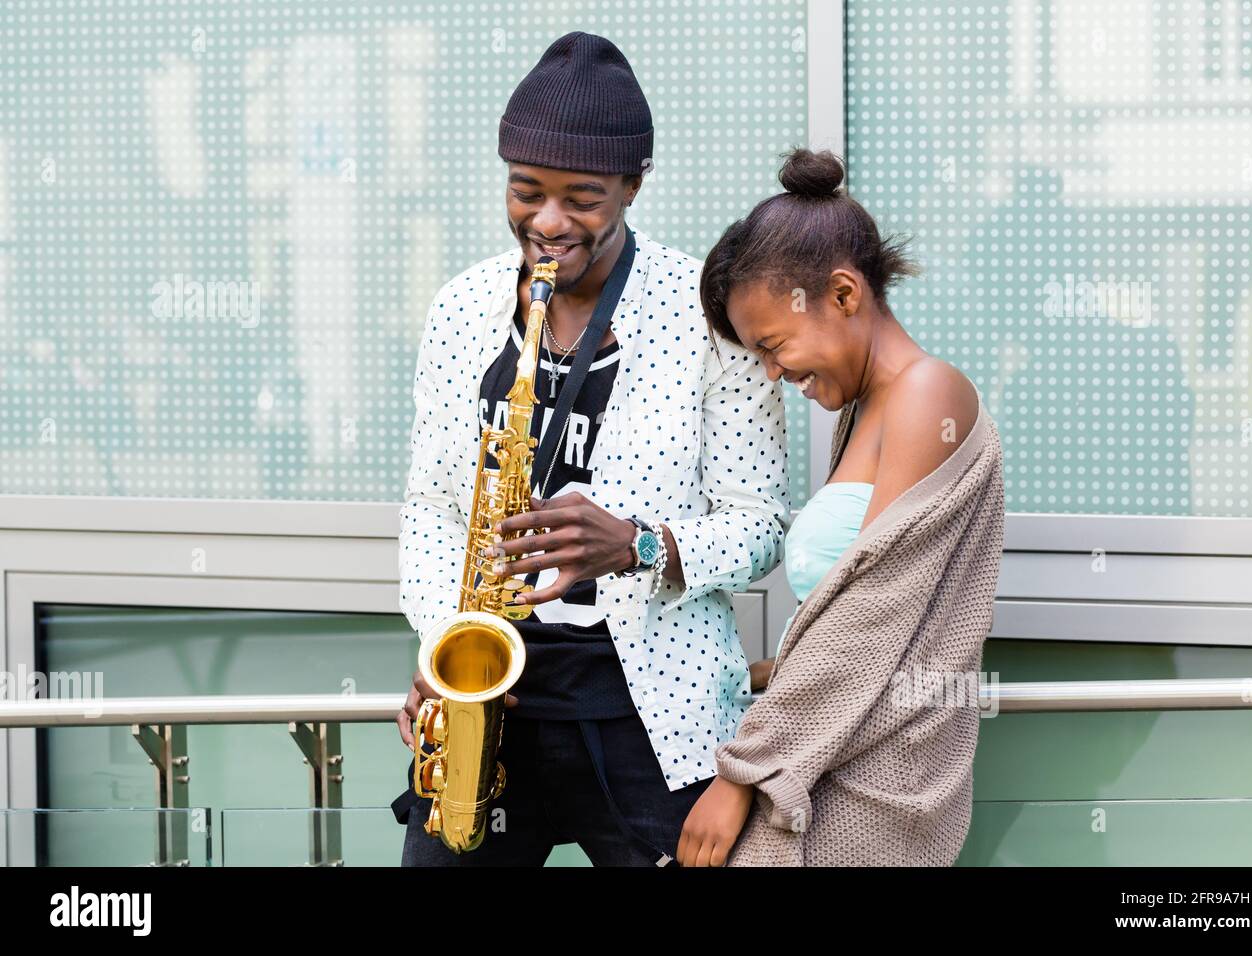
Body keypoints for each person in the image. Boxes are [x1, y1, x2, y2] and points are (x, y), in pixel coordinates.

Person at [390, 32, 790, 866]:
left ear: (633, 186)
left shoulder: (708, 314)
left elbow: (759, 527)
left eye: (581, 198)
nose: (546, 222)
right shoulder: (463, 308)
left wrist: (639, 543)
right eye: (525, 191)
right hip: (491, 705)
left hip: (654, 717)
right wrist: (441, 643)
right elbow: (432, 506)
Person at [676, 148, 1006, 866]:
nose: (773, 372)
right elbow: (846, 610)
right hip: (831, 759)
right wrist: (750, 673)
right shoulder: (867, 412)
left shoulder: (928, 395)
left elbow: (872, 617)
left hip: (873, 785)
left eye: (773, 344)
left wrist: (743, 773)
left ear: (845, 294)